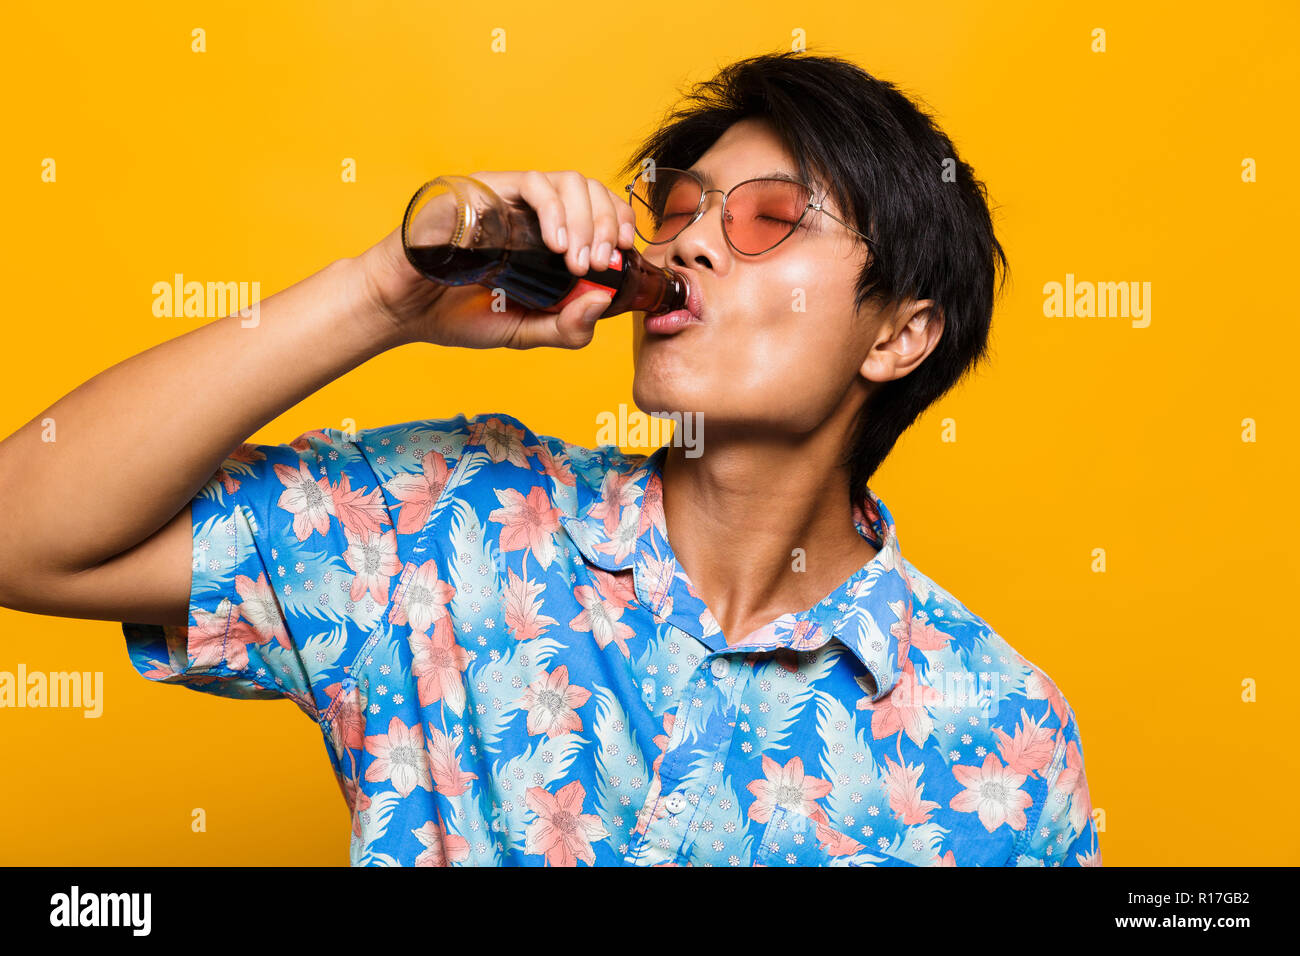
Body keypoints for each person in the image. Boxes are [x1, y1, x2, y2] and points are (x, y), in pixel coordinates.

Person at [0, 50, 1099, 867]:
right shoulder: (447, 520)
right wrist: (379, 295)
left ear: (898, 334)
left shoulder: (1005, 738)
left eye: (770, 218)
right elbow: (23, 535)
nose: (689, 242)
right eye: (676, 212)